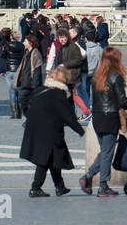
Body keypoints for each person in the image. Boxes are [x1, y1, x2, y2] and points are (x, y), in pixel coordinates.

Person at [78, 47, 127, 198]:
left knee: (104, 151)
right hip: (110, 117)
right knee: (107, 153)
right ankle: (103, 186)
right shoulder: (115, 76)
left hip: (97, 117)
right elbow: (122, 100)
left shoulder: (96, 76)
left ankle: (88, 176)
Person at [20, 65, 84, 197]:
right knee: (45, 159)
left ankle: (60, 186)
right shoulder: (58, 94)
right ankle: (35, 188)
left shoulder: (41, 89)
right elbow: (67, 116)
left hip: (35, 129)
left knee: (54, 157)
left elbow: (25, 102)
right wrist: (80, 130)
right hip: (50, 131)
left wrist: (31, 116)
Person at [14, 33, 44, 116]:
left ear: (30, 43)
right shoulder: (26, 52)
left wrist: (35, 85)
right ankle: (30, 118)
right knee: (23, 100)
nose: (23, 43)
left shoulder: (35, 53)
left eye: (25, 41)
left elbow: (37, 70)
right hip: (24, 80)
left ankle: (30, 118)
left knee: (24, 99)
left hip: (30, 82)